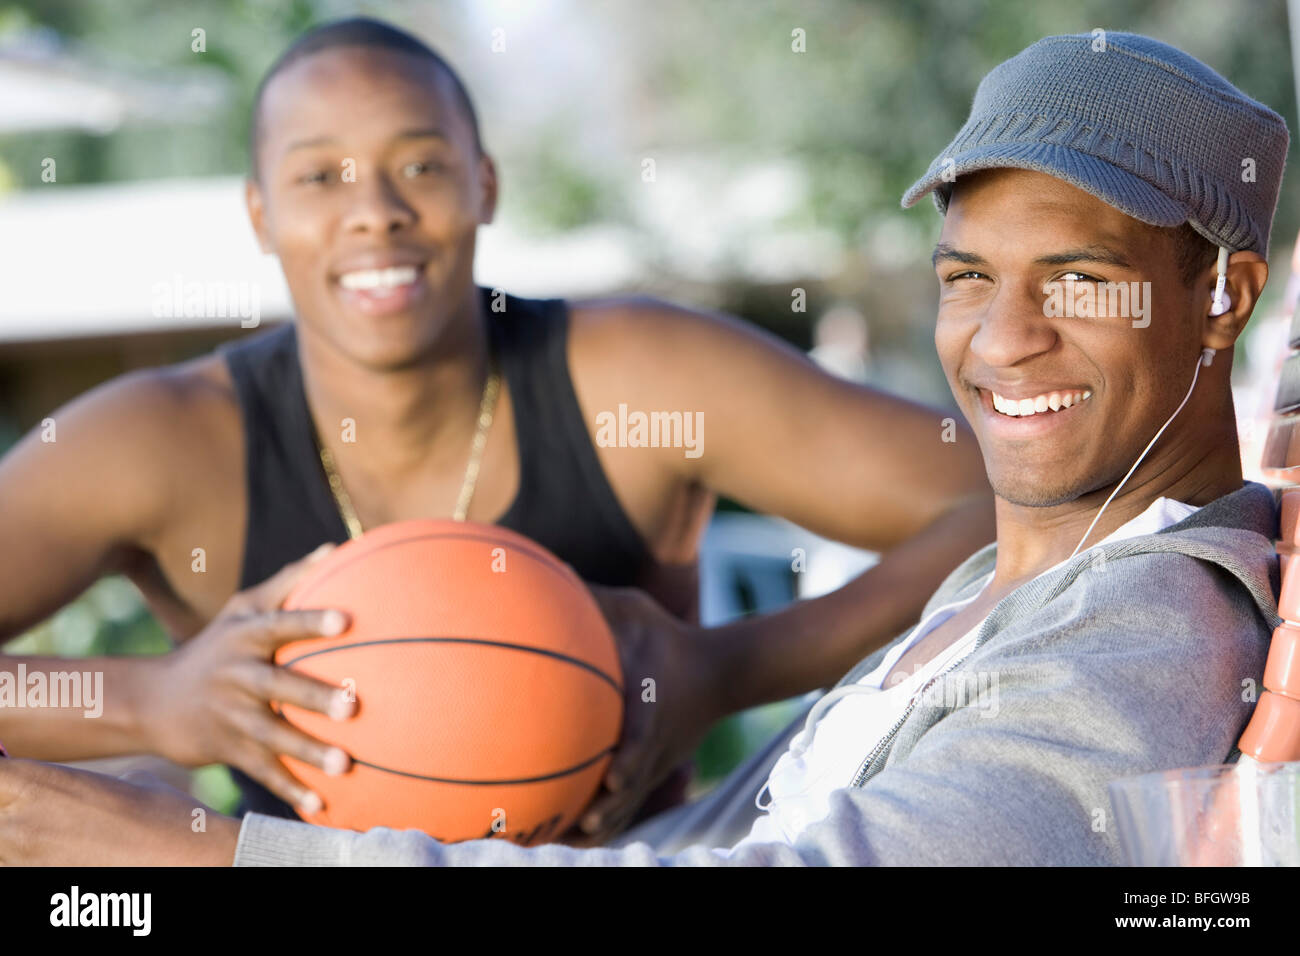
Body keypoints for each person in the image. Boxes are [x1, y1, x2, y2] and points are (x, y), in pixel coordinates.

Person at [1, 30, 1285, 866]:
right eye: (964, 276)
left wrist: (197, 854)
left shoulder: (1137, 634)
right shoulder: (999, 592)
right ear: (256, 210)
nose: (1005, 341)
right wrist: (145, 720)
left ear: (1223, 296)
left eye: (1075, 277)